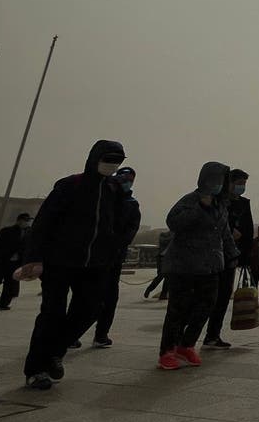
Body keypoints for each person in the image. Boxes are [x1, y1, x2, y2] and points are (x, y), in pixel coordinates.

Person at [18, 140, 137, 389]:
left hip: (95, 263)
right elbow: (43, 223)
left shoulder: (114, 190)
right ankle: (36, 369)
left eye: (117, 161)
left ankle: (55, 351)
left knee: (91, 309)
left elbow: (117, 225)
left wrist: (113, 250)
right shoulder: (70, 185)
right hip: (60, 261)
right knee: (52, 313)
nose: (112, 165)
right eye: (109, 159)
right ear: (95, 158)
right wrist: (34, 257)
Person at [158, 161, 235, 370]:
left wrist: (233, 254)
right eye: (217, 180)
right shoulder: (190, 200)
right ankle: (167, 351)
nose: (220, 185)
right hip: (184, 265)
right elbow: (173, 221)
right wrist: (200, 207)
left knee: (207, 305)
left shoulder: (221, 205)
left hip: (210, 266)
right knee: (178, 309)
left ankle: (187, 344)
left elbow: (224, 233)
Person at [202, 167, 253, 349]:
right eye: (238, 183)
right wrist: (230, 232)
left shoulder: (245, 204)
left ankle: (213, 334)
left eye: (244, 184)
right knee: (207, 298)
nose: (241, 187)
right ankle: (188, 336)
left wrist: (245, 255)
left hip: (232, 257)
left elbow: (248, 230)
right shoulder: (219, 201)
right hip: (214, 256)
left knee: (223, 297)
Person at [92, 166, 142, 347]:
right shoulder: (102, 199)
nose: (127, 182)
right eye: (124, 178)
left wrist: (118, 243)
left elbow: (131, 229)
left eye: (130, 179)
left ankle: (101, 334)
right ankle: (73, 333)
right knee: (88, 297)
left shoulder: (131, 204)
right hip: (94, 257)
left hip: (114, 257)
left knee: (110, 298)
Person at [143, 230, 172, 300]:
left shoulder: (170, 235)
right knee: (161, 275)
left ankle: (163, 294)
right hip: (162, 257)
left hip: (167, 257)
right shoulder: (165, 235)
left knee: (167, 277)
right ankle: (150, 289)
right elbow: (164, 241)